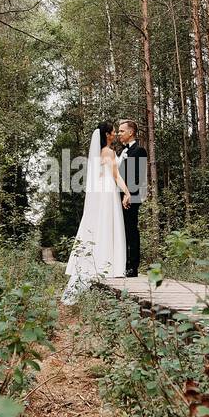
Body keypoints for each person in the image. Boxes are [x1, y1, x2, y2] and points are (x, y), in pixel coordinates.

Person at [60, 121, 129, 304]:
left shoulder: (95, 155)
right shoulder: (108, 152)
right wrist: (127, 191)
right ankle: (109, 264)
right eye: (113, 132)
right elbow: (116, 176)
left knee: (97, 226)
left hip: (98, 194)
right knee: (108, 226)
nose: (115, 134)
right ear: (106, 134)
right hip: (108, 194)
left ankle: (95, 262)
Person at [116, 119, 147, 277]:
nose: (119, 134)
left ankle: (132, 267)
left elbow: (138, 178)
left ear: (131, 132)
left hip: (131, 197)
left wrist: (128, 196)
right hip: (118, 196)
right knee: (120, 231)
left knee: (131, 231)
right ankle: (120, 263)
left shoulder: (139, 151)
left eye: (121, 131)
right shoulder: (120, 152)